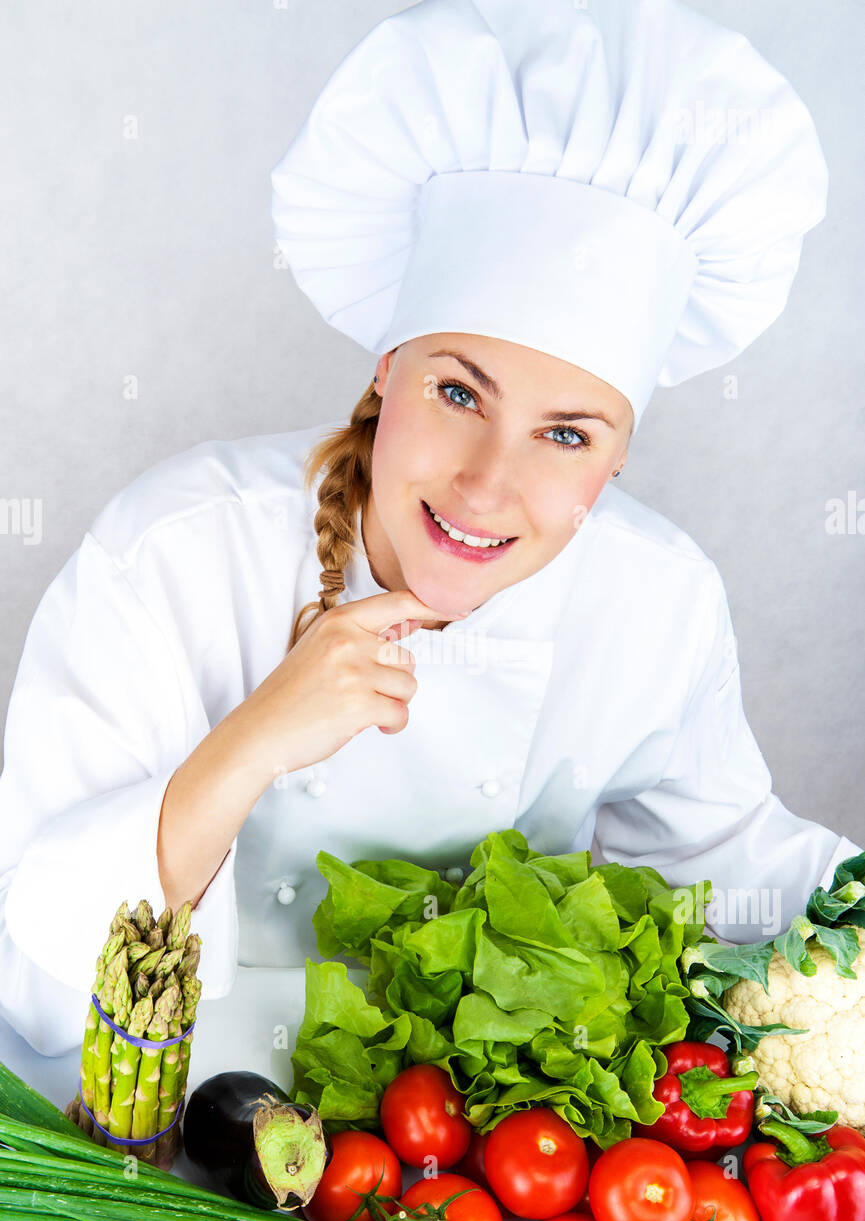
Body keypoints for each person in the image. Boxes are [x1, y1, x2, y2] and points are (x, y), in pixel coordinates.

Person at [0, 0, 860, 1056]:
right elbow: (33, 967)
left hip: (474, 1152)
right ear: (385, 367)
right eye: (458, 394)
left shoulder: (657, 598)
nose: (489, 485)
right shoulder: (171, 552)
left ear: (620, 456)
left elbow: (733, 873)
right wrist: (252, 742)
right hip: (179, 1125)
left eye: (567, 434)